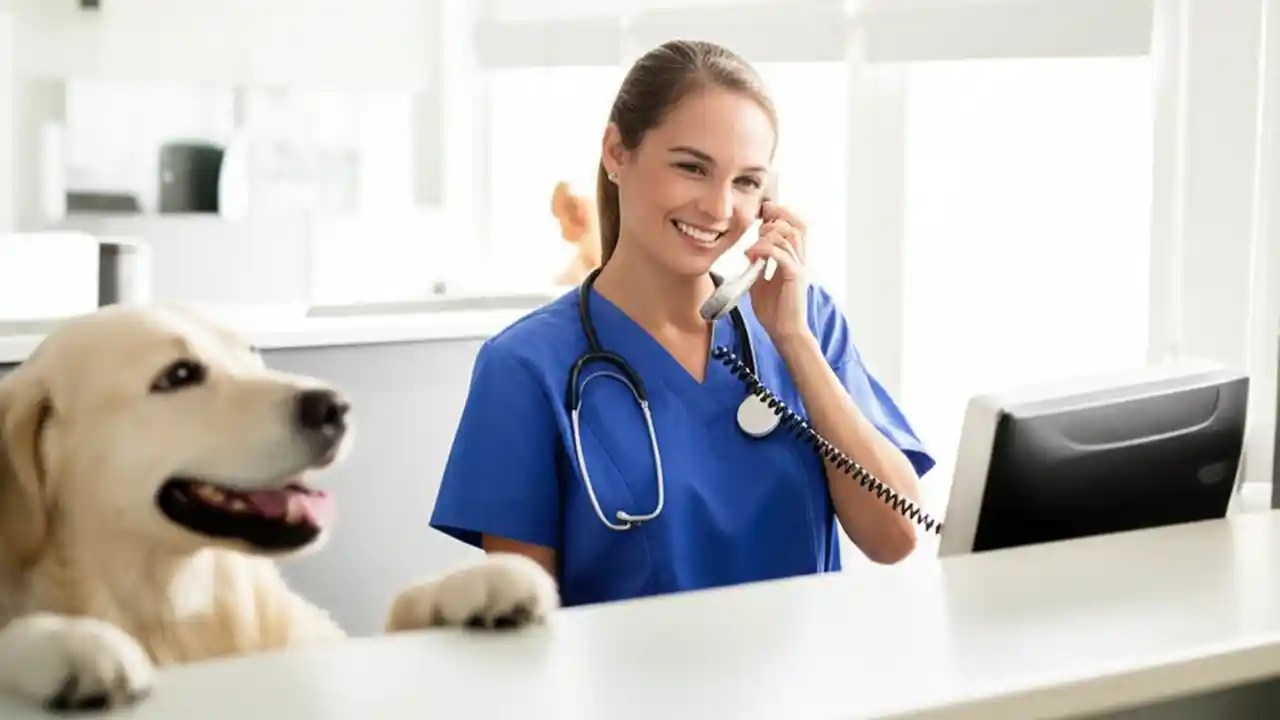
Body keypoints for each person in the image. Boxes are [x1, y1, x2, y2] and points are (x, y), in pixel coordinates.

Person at [429, 39, 935, 608]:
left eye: (746, 182)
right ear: (617, 152)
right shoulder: (525, 368)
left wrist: (793, 343)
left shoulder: (805, 320)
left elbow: (895, 537)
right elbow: (520, 628)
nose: (720, 208)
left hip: (812, 691)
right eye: (693, 168)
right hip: (629, 697)